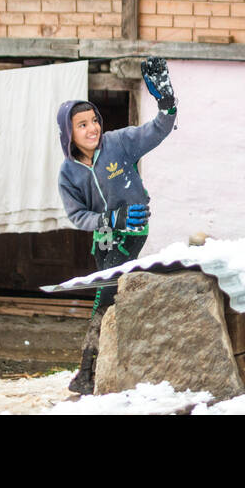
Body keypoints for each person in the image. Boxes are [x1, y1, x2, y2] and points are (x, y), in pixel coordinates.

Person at [56, 56, 177, 393]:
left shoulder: (120, 143)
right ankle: (114, 364)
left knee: (105, 291)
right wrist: (107, 219)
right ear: (69, 132)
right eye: (82, 124)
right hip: (104, 237)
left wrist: (166, 104)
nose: (92, 128)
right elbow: (76, 215)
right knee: (111, 294)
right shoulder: (68, 173)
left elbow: (159, 129)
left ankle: (87, 371)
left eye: (94, 120)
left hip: (133, 230)